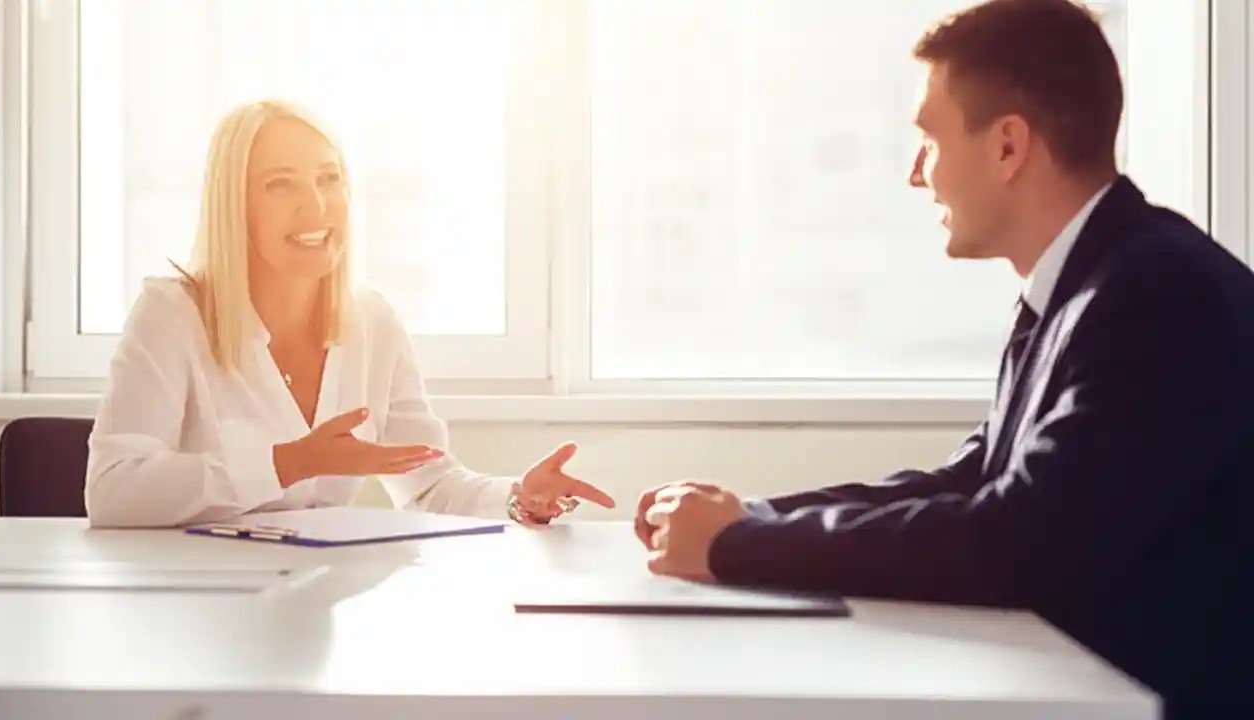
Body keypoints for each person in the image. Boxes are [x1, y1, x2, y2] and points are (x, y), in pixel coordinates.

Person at [634, 1, 1253, 716]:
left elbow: (1016, 542)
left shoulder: (1155, 296)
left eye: (928, 139)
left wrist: (738, 544)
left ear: (1008, 147)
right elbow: (973, 481)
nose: (915, 174)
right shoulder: (1087, 284)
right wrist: (748, 516)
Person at [85, 99, 615, 528]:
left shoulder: (372, 322)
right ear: (235, 207)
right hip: (192, 607)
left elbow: (427, 483)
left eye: (328, 178)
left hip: (320, 610)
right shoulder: (172, 314)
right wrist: (290, 463)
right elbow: (113, 491)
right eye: (280, 184)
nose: (315, 206)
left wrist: (518, 498)